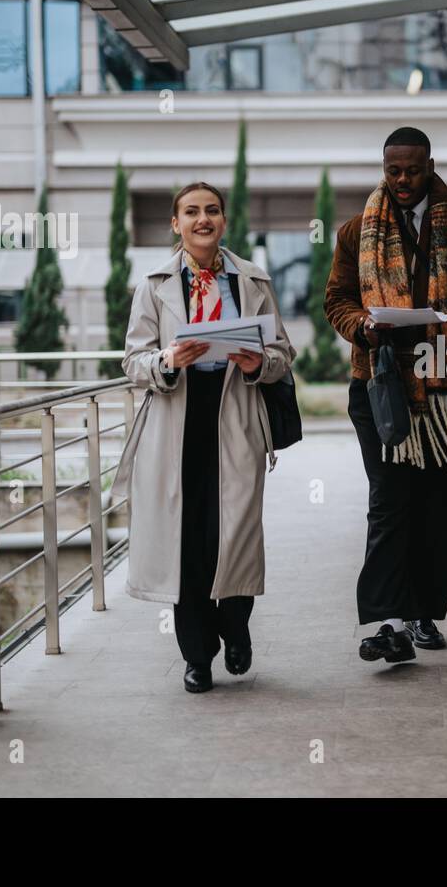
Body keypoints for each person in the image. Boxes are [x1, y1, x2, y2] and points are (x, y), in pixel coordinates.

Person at [117, 182, 295, 693]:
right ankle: (197, 656)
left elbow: (284, 353)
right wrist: (168, 362)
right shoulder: (154, 285)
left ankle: (236, 630)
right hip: (178, 427)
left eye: (211, 211)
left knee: (235, 535)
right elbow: (133, 361)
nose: (202, 220)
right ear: (176, 224)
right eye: (191, 212)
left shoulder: (253, 280)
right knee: (187, 544)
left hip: (236, 419)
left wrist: (259, 362)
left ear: (223, 221)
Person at [324, 127, 447, 664]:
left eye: (412, 170)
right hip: (380, 387)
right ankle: (386, 622)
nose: (401, 180)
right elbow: (337, 299)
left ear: (430, 165)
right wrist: (361, 327)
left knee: (438, 506)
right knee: (389, 503)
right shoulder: (356, 231)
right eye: (392, 170)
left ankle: (422, 615)